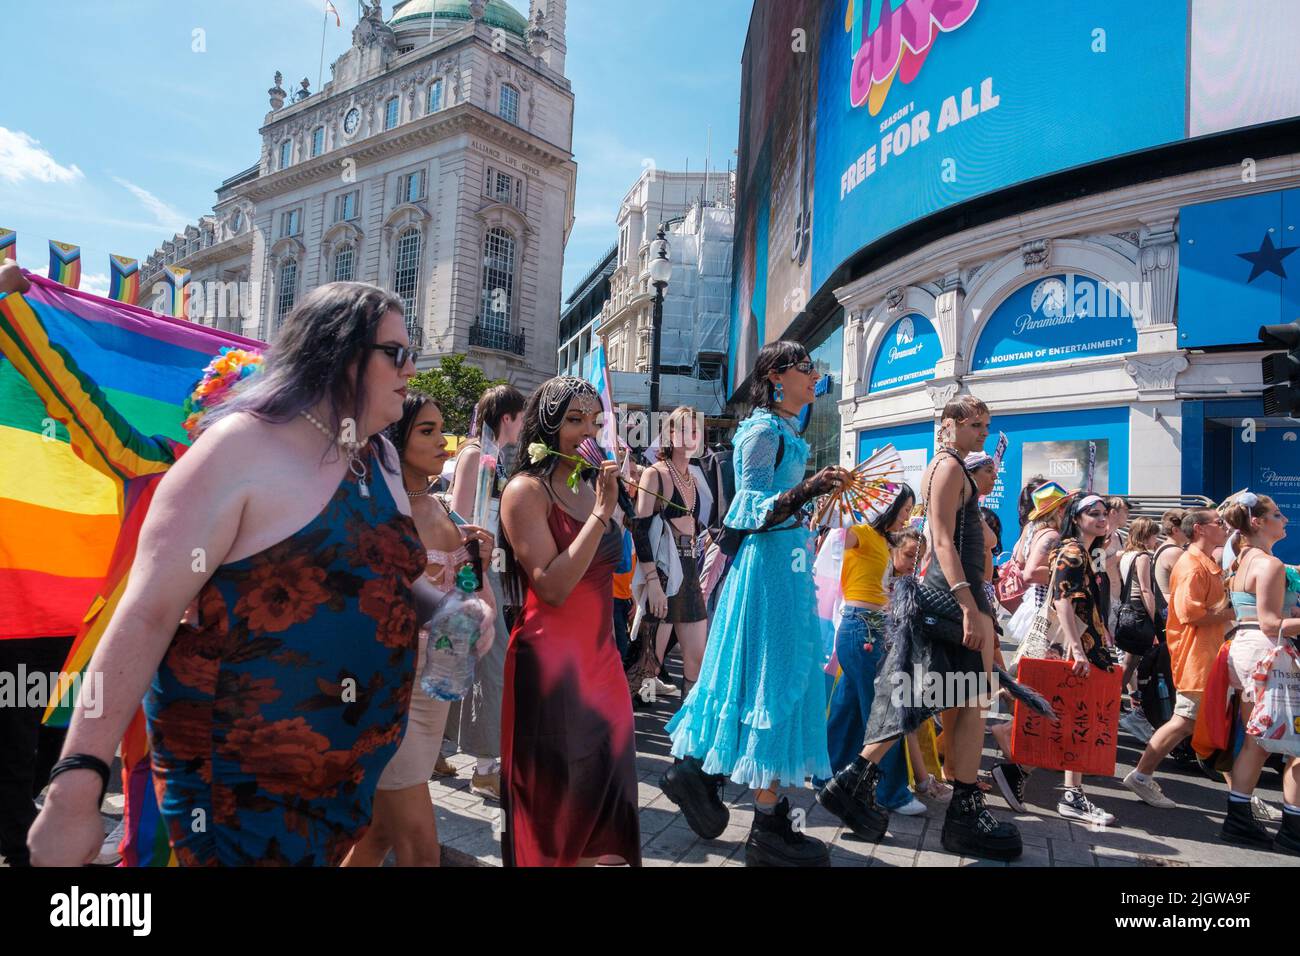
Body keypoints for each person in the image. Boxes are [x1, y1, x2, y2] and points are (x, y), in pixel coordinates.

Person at [28, 282, 452, 866]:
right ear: (337, 354)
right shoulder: (239, 449)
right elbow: (147, 612)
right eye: (396, 352)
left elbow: (387, 577)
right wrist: (76, 782)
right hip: (237, 792)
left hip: (341, 786)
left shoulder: (374, 456)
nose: (411, 367)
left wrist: (447, 609)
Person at [661, 341, 850, 866]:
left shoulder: (786, 429)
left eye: (814, 367)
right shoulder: (763, 430)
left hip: (784, 568)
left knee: (767, 676)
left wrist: (809, 506)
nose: (815, 376)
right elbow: (748, 510)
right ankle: (765, 825)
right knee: (773, 677)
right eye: (806, 368)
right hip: (767, 572)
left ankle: (704, 777)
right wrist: (807, 490)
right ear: (776, 376)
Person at [819, 396, 1023, 861]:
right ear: (949, 425)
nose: (982, 435)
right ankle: (957, 812)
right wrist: (969, 605)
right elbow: (945, 540)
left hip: (950, 599)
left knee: (944, 698)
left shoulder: (948, 468)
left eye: (986, 427)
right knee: (953, 698)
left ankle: (860, 785)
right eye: (975, 425)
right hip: (952, 601)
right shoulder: (949, 467)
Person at [343, 393, 495, 867]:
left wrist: (478, 562)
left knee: (379, 837)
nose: (444, 444)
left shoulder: (440, 506)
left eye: (441, 430)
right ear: (395, 439)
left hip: (433, 696)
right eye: (426, 432)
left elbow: (465, 592)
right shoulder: (382, 511)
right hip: (393, 692)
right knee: (422, 850)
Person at [497, 376, 640, 866]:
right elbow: (552, 587)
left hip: (603, 665)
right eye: (574, 420)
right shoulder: (525, 491)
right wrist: (602, 513)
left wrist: (619, 509)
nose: (587, 433)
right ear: (549, 424)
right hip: (551, 671)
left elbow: (617, 563)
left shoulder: (592, 482)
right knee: (557, 816)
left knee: (609, 812)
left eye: (594, 422)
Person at [822, 485, 925, 817]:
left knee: (848, 707)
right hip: (861, 628)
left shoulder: (883, 540)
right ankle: (891, 793)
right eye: (905, 509)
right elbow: (838, 532)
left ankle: (828, 774)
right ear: (890, 506)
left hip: (866, 629)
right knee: (885, 712)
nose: (908, 516)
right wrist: (839, 503)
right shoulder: (863, 533)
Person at [1122, 508, 1233, 810]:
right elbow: (1188, 613)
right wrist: (1231, 613)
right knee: (1184, 722)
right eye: (1218, 523)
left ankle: (1243, 797)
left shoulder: (1204, 561)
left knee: (1219, 725)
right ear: (1199, 529)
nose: (1224, 527)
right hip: (1196, 657)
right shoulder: (1194, 565)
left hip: (1208, 654)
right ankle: (1142, 775)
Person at [445, 383, 525, 801]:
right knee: (493, 663)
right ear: (507, 417)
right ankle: (485, 766)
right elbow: (460, 518)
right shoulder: (477, 454)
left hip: (479, 569)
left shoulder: (485, 453)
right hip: (475, 569)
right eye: (521, 415)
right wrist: (475, 582)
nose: (524, 423)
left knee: (460, 656)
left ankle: (440, 752)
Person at [1215, 493, 1300, 853]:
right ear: (1258, 522)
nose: (1286, 520)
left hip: (1245, 652)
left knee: (1257, 741)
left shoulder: (1240, 561)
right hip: (1269, 657)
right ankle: (1293, 827)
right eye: (1277, 515)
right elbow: (1270, 623)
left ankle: (1238, 819)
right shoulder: (1270, 565)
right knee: (1294, 744)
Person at [990, 481, 1070, 810]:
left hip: (1038, 613)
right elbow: (1031, 571)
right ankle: (1011, 733)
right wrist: (1066, 571)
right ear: (1059, 510)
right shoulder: (1050, 536)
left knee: (1033, 681)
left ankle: (1020, 735)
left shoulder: (1032, 531)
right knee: (1043, 686)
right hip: (1045, 616)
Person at [631, 406, 708, 712]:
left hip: (689, 571)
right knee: (645, 660)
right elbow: (640, 528)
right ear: (671, 435)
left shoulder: (696, 476)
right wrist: (652, 582)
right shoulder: (656, 473)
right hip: (661, 572)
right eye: (687, 430)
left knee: (697, 658)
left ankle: (688, 735)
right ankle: (621, 726)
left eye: (696, 431)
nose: (693, 437)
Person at [1049, 494, 1119, 825]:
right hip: (1076, 649)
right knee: (1077, 719)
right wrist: (1077, 650)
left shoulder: (1088, 553)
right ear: (1077, 518)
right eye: (1094, 513)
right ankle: (1068, 794)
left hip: (1086, 644)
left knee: (1070, 718)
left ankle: (1069, 792)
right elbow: (1062, 601)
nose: (1102, 517)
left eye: (1105, 512)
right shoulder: (1073, 553)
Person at [1115, 518, 1163, 741]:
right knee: (1141, 663)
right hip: (1139, 613)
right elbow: (1145, 588)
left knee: (1129, 662)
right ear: (1145, 536)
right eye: (1154, 535)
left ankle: (1112, 701)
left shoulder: (1126, 555)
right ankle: (1135, 710)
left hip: (1126, 612)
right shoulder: (1143, 557)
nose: (1156, 539)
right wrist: (1154, 616)